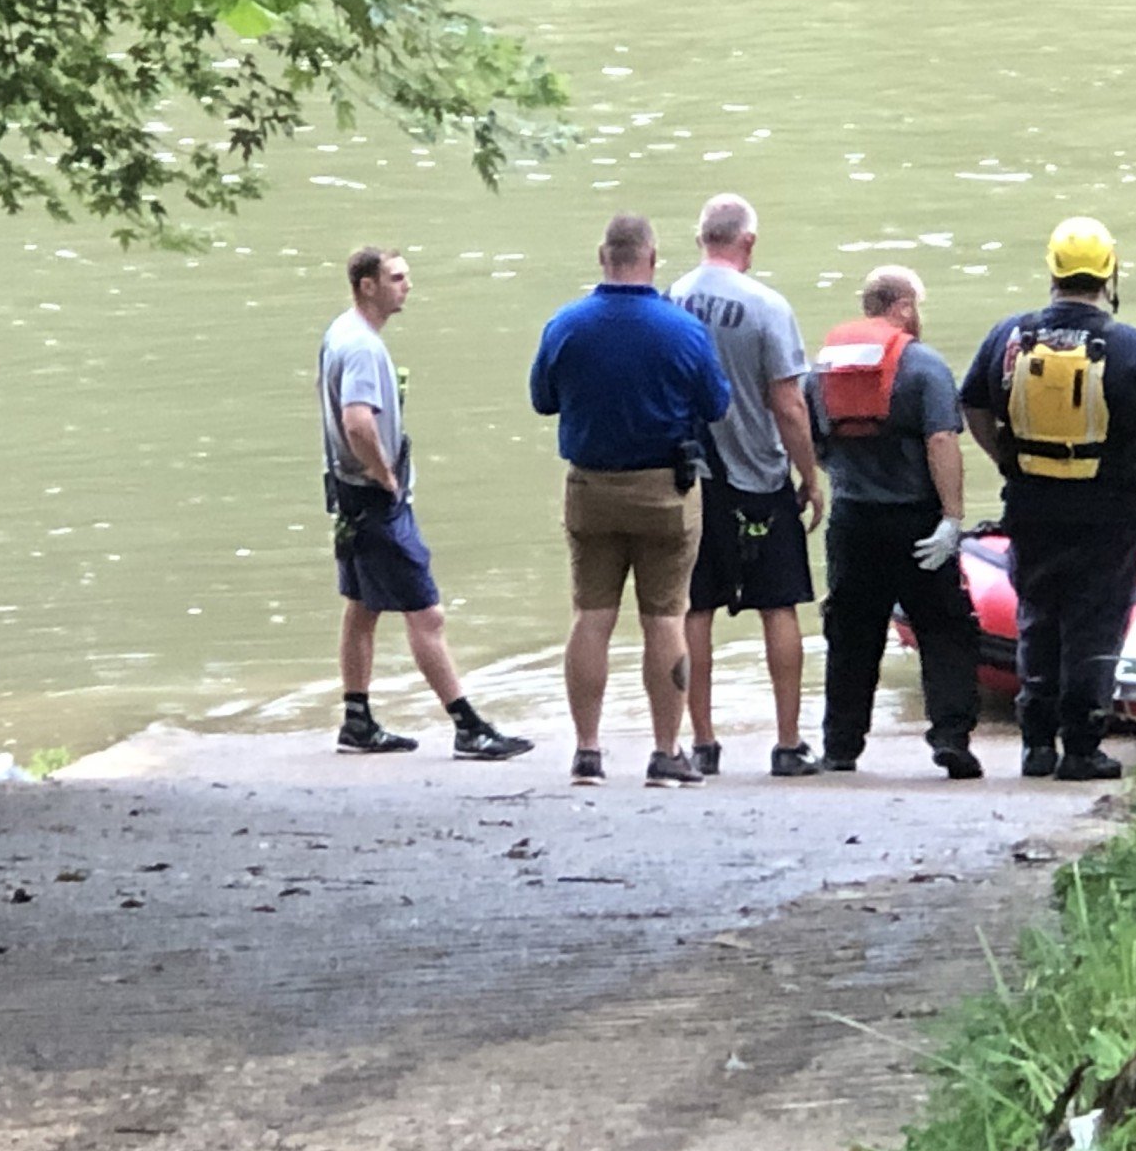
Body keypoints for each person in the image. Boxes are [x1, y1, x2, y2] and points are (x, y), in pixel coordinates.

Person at [962, 217, 1136, 783]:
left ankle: (1036, 744)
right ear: (1109, 273)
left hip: (1032, 500)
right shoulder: (1133, 347)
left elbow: (972, 407)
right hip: (1109, 508)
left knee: (1037, 613)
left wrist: (1007, 460)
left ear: (1053, 270)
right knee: (1096, 622)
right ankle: (1082, 746)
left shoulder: (1008, 337)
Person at [529, 213, 731, 788]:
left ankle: (588, 752)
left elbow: (543, 400)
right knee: (665, 617)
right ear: (652, 257)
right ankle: (666, 752)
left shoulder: (566, 326)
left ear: (602, 256)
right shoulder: (682, 329)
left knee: (591, 617)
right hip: (664, 491)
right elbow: (717, 404)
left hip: (590, 487)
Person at [318, 246, 532, 761]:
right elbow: (356, 420)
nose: (406, 285)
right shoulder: (364, 348)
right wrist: (384, 474)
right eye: (395, 277)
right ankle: (468, 727)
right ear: (367, 285)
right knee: (426, 613)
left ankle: (357, 720)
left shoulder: (340, 332)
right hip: (374, 499)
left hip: (349, 497)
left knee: (363, 607)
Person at [668, 194, 826, 778]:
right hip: (758, 474)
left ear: (700, 237)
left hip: (694, 477)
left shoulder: (672, 299)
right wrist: (810, 477)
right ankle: (787, 744)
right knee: (778, 604)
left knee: (695, 607)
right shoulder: (766, 306)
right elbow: (788, 404)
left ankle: (703, 743)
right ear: (748, 242)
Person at [808, 265, 982, 779]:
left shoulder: (825, 366)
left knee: (851, 634)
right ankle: (951, 738)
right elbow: (941, 441)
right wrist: (952, 519)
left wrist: (839, 475)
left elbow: (810, 434)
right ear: (903, 306)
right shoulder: (924, 365)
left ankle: (841, 747)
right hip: (917, 522)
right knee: (945, 628)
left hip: (853, 520)